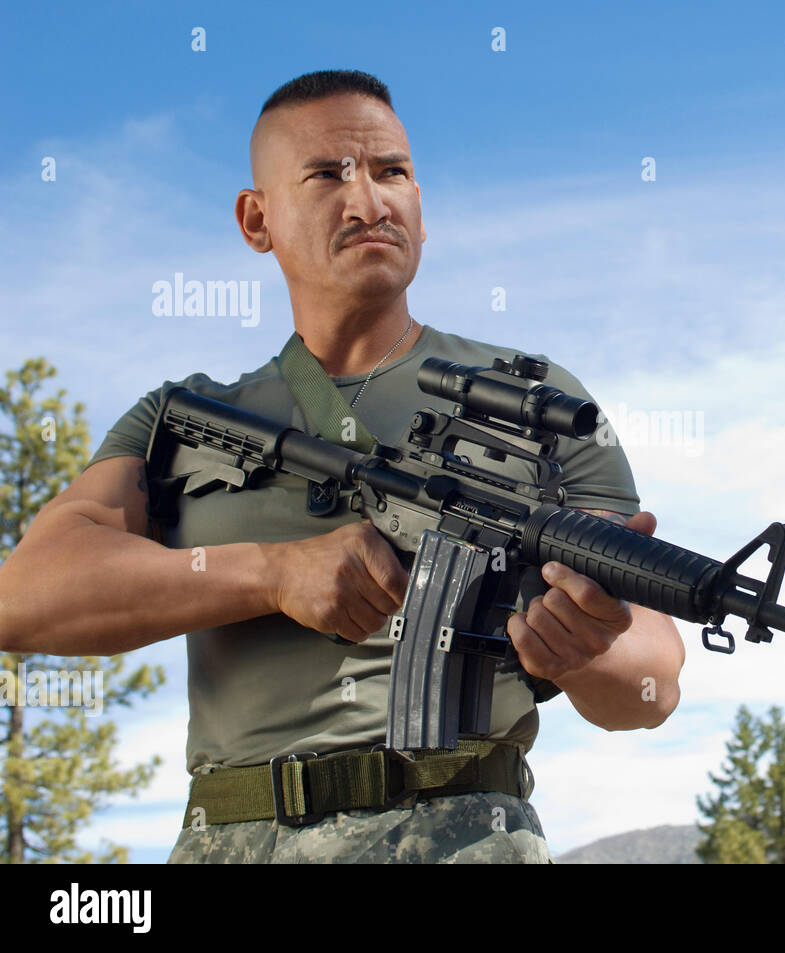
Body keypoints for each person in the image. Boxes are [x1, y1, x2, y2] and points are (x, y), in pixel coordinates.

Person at [0, 70, 685, 863]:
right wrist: (269, 573)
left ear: (421, 210)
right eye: (329, 175)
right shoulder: (181, 418)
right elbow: (24, 596)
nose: (370, 203)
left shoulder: (535, 402)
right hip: (238, 839)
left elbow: (654, 683)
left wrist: (588, 647)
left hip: (468, 840)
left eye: (391, 172)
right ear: (257, 220)